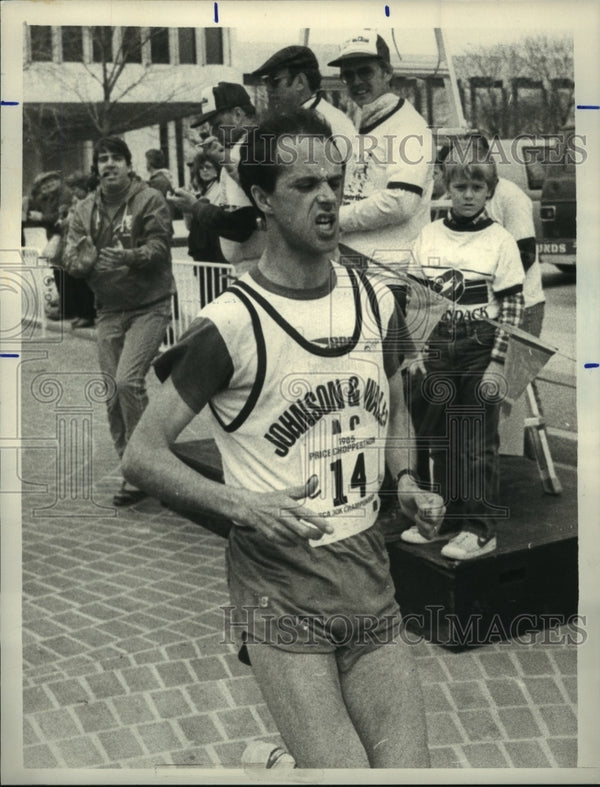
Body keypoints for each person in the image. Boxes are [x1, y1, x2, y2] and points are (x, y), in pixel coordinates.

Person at [123, 109, 444, 768]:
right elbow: (142, 454)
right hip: (278, 582)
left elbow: (395, 408)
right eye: (304, 184)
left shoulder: (377, 301)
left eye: (335, 182)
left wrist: (406, 480)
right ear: (263, 198)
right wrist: (240, 505)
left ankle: (279, 766)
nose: (327, 197)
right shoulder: (230, 324)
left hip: (367, 570)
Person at [401, 155, 525, 560]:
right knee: (441, 439)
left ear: (489, 191)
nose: (468, 195)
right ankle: (450, 519)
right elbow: (416, 299)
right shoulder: (429, 235)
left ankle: (481, 529)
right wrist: (415, 349)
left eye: (477, 188)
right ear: (448, 188)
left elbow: (512, 307)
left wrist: (498, 361)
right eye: (460, 187)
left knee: (476, 441)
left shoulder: (500, 240)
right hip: (438, 345)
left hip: (480, 348)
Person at [62, 136, 174, 506]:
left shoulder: (149, 199)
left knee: (127, 382)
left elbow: (160, 247)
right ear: (96, 168)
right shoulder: (84, 209)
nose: (109, 164)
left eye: (116, 158)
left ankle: (147, 468)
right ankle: (133, 469)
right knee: (112, 391)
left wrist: (130, 256)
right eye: (102, 159)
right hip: (109, 309)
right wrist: (82, 260)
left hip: (150, 305)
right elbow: (71, 259)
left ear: (129, 165)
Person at [328, 29, 434, 266]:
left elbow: (401, 202)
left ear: (387, 72)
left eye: (365, 71)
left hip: (392, 265)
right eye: (348, 75)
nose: (356, 81)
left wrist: (336, 217)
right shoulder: (367, 119)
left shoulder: (408, 126)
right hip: (357, 258)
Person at [169, 83, 264, 273]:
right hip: (256, 264)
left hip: (259, 265)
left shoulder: (246, 151)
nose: (213, 133)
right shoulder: (247, 147)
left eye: (217, 125)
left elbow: (240, 226)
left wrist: (195, 207)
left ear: (238, 114)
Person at [250, 45, 357, 149]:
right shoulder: (291, 118)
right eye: (266, 81)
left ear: (300, 82)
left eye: (274, 81)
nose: (268, 89)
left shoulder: (334, 122)